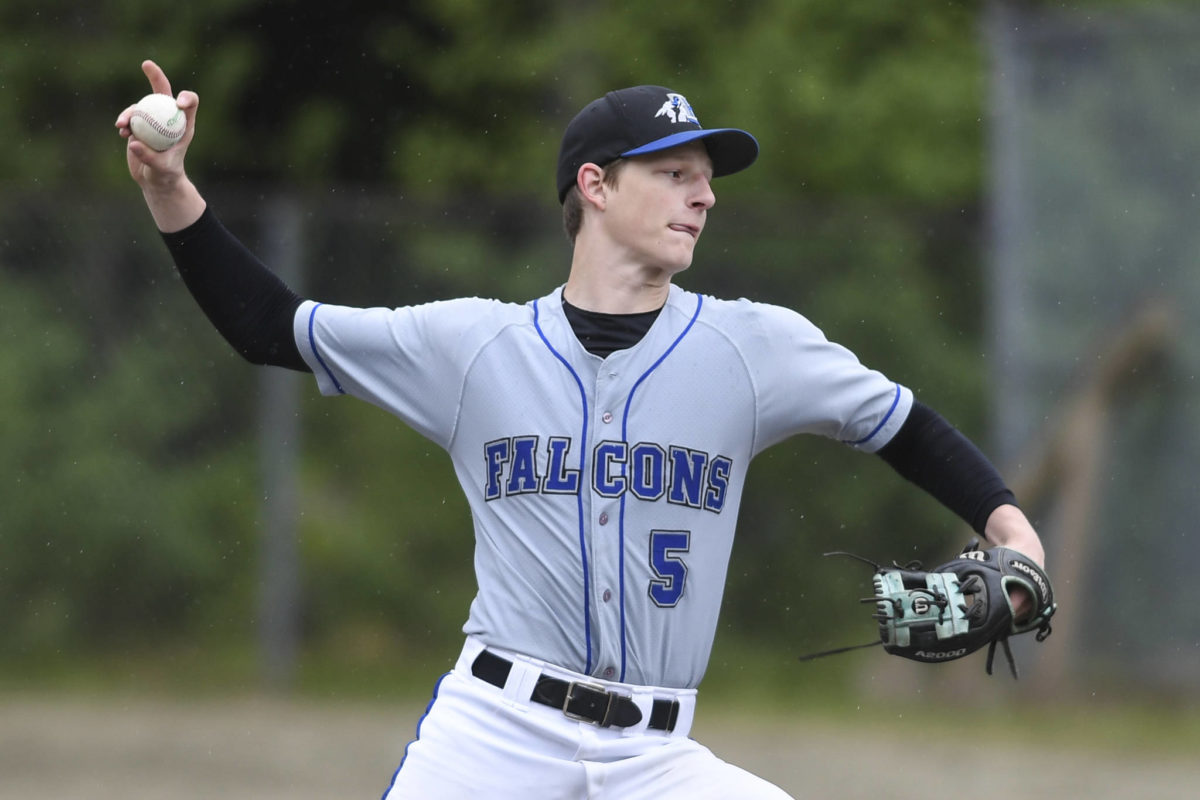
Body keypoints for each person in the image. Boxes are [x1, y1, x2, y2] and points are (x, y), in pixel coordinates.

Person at [118, 59, 1046, 799]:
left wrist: (1009, 526)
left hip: (657, 756)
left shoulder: (753, 347)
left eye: (707, 179)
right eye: (675, 172)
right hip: (492, 735)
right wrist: (170, 189)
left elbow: (899, 424)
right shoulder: (473, 347)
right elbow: (268, 326)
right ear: (594, 186)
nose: (705, 196)